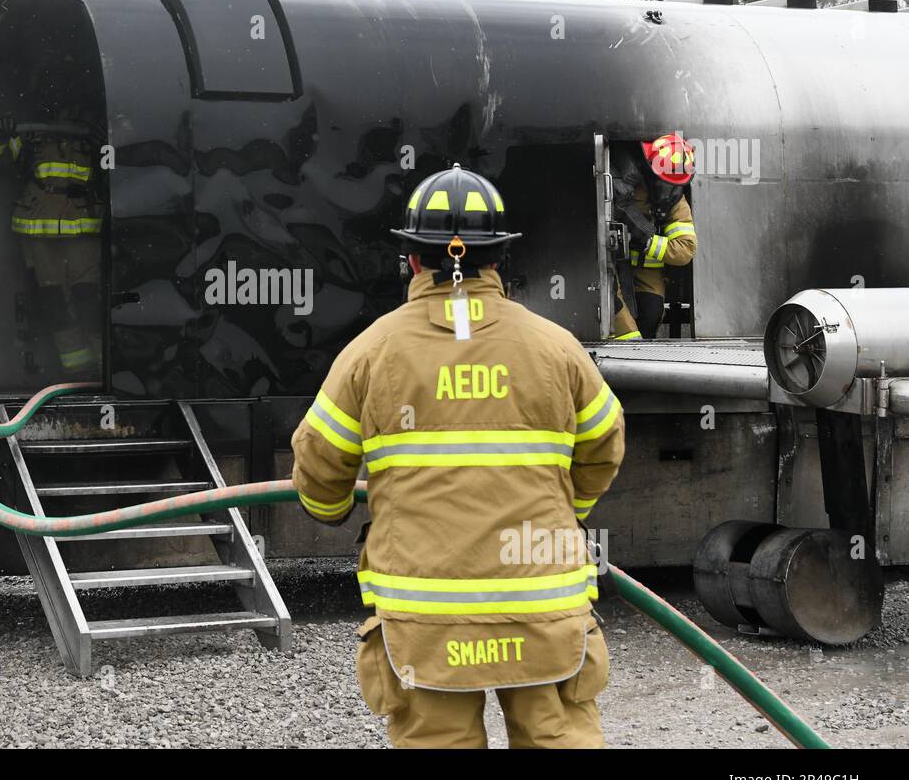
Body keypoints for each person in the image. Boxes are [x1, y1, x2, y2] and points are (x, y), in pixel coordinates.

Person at [291, 165, 625, 748]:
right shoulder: (557, 348)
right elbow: (605, 442)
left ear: (414, 261)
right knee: (557, 738)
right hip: (541, 604)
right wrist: (571, 505)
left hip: (427, 618)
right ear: (497, 259)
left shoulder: (371, 352)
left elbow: (319, 465)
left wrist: (333, 508)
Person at [0, 116, 102, 378]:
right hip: (37, 225)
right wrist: (1, 137)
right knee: (55, 300)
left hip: (82, 223)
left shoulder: (94, 130)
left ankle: (104, 366)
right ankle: (78, 370)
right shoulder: (33, 133)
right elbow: (0, 158)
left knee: (89, 297)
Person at [611, 133, 697, 339]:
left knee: (650, 316)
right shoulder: (619, 180)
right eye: (662, 180)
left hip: (646, 267)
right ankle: (626, 362)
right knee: (624, 329)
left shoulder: (674, 196)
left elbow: (686, 249)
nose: (666, 187)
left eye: (673, 183)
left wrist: (648, 241)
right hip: (609, 264)